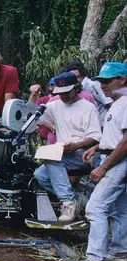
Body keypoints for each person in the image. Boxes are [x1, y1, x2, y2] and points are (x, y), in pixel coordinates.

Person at [76, 62, 127, 261]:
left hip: (118, 161)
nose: (102, 85)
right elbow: (116, 135)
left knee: (95, 208)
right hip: (112, 155)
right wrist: (97, 147)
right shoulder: (116, 102)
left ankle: (95, 258)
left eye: (107, 81)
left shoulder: (125, 103)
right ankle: (120, 251)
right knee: (119, 208)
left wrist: (103, 167)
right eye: (101, 81)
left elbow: (125, 142)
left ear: (122, 80)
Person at [34, 72, 101, 222]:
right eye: (60, 93)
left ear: (76, 89)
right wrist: (33, 96)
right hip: (63, 154)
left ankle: (68, 203)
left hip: (83, 155)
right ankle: (76, 198)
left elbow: (96, 137)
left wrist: (77, 145)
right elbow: (33, 114)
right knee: (40, 175)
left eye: (66, 92)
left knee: (52, 157)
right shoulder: (54, 105)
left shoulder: (88, 107)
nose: (63, 96)